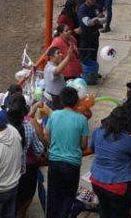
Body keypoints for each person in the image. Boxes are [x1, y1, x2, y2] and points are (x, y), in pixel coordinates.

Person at [87, 106, 131, 218]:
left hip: (97, 181)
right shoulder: (127, 140)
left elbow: (92, 148)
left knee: (104, 210)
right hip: (117, 187)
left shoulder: (97, 132)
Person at [43, 87, 90, 218]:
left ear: (62, 101)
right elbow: (84, 145)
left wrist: (52, 146)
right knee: (68, 196)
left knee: (53, 195)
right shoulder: (82, 119)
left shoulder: (54, 115)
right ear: (76, 102)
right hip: (72, 164)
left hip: (55, 162)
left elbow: (46, 136)